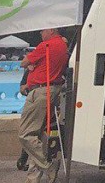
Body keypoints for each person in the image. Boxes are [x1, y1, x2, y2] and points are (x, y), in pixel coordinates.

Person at [18, 29, 69, 183]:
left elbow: (23, 63)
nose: (41, 33)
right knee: (39, 136)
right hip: (52, 91)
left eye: (43, 30)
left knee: (25, 134)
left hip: (39, 92)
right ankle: (33, 178)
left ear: (51, 30)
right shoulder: (62, 46)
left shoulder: (46, 45)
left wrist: (31, 68)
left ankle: (49, 166)